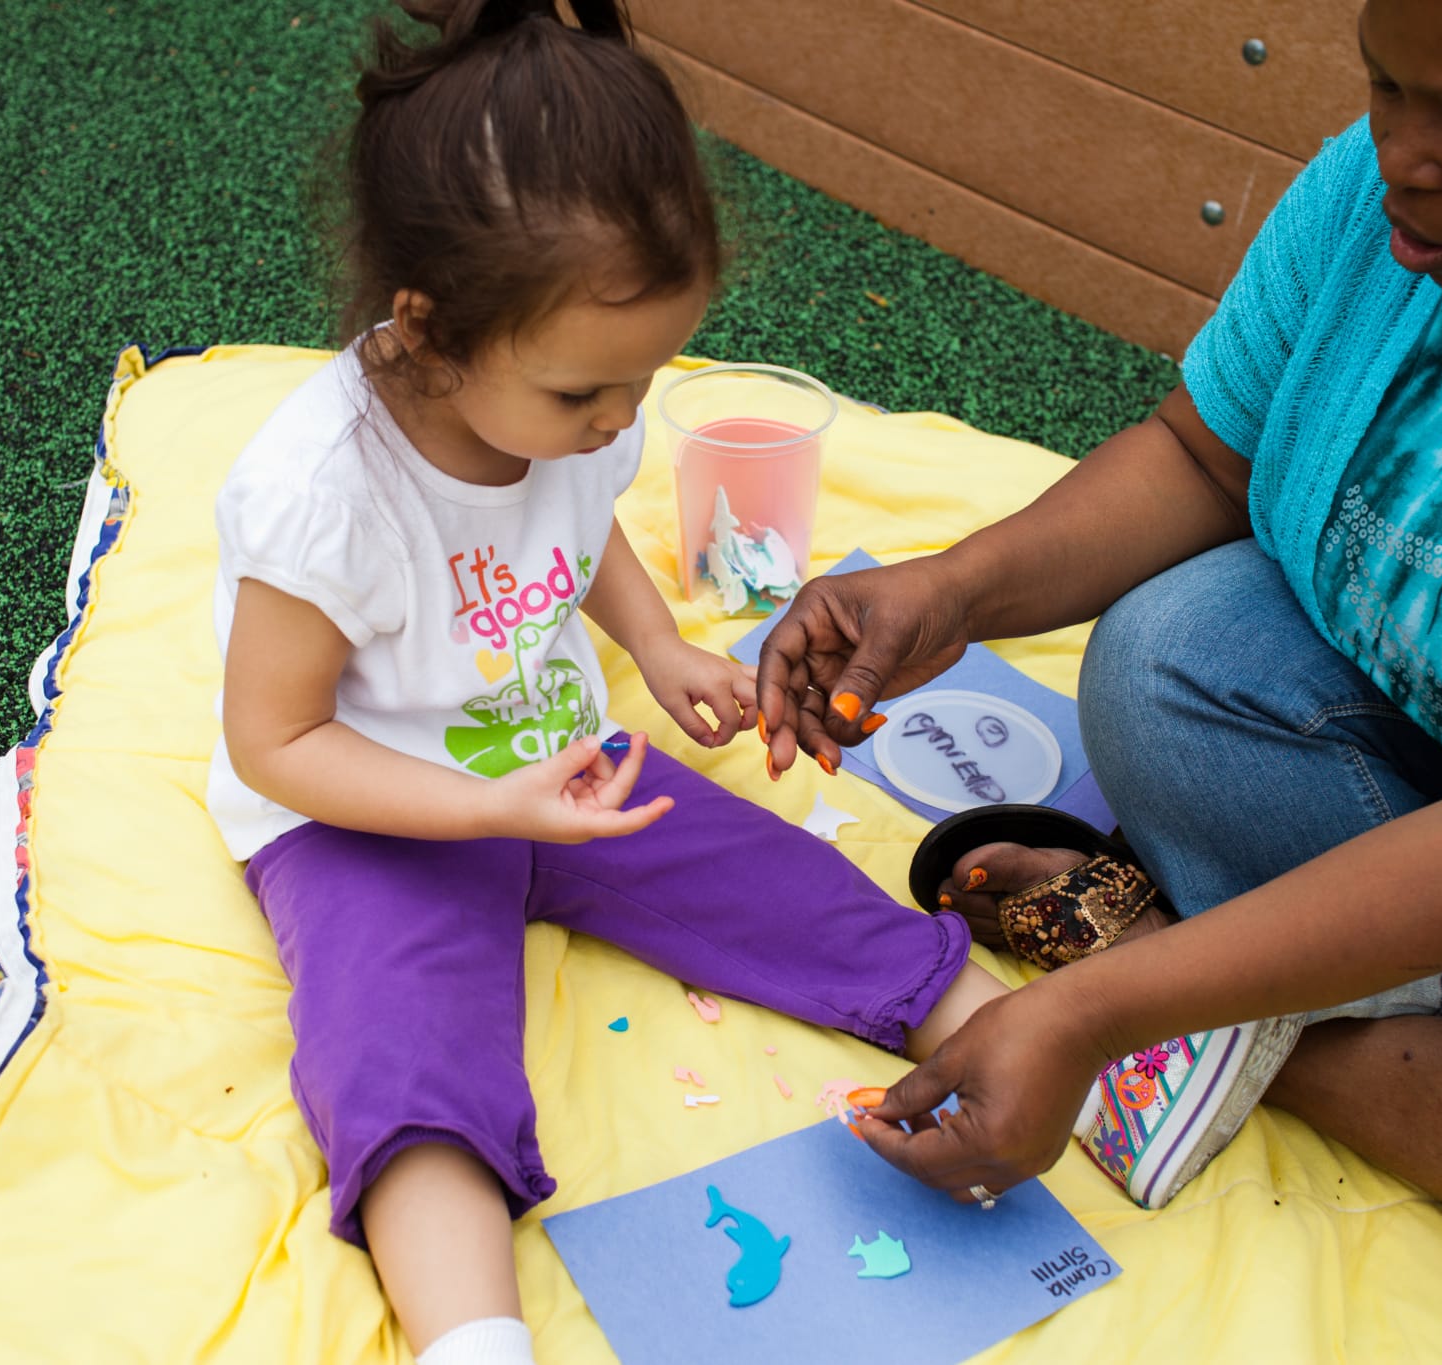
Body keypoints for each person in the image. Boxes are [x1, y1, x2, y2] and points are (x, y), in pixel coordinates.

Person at [756, 0, 1442, 1355]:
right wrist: (954, 587)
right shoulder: (1385, 204)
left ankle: (1267, 1029)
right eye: (1385, 85)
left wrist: (1096, 1009)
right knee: (1177, 653)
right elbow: (1201, 456)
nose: (1401, 150)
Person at [203, 5, 1006, 1363]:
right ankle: (473, 1336)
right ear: (430, 328)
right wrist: (478, 812)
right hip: (363, 817)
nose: (622, 419)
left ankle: (1012, 1033)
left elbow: (576, 529)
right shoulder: (319, 493)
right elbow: (273, 738)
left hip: (558, 773)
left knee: (769, 880)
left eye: (642, 376)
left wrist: (659, 645)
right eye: (591, 391)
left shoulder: (568, 397)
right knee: (399, 1056)